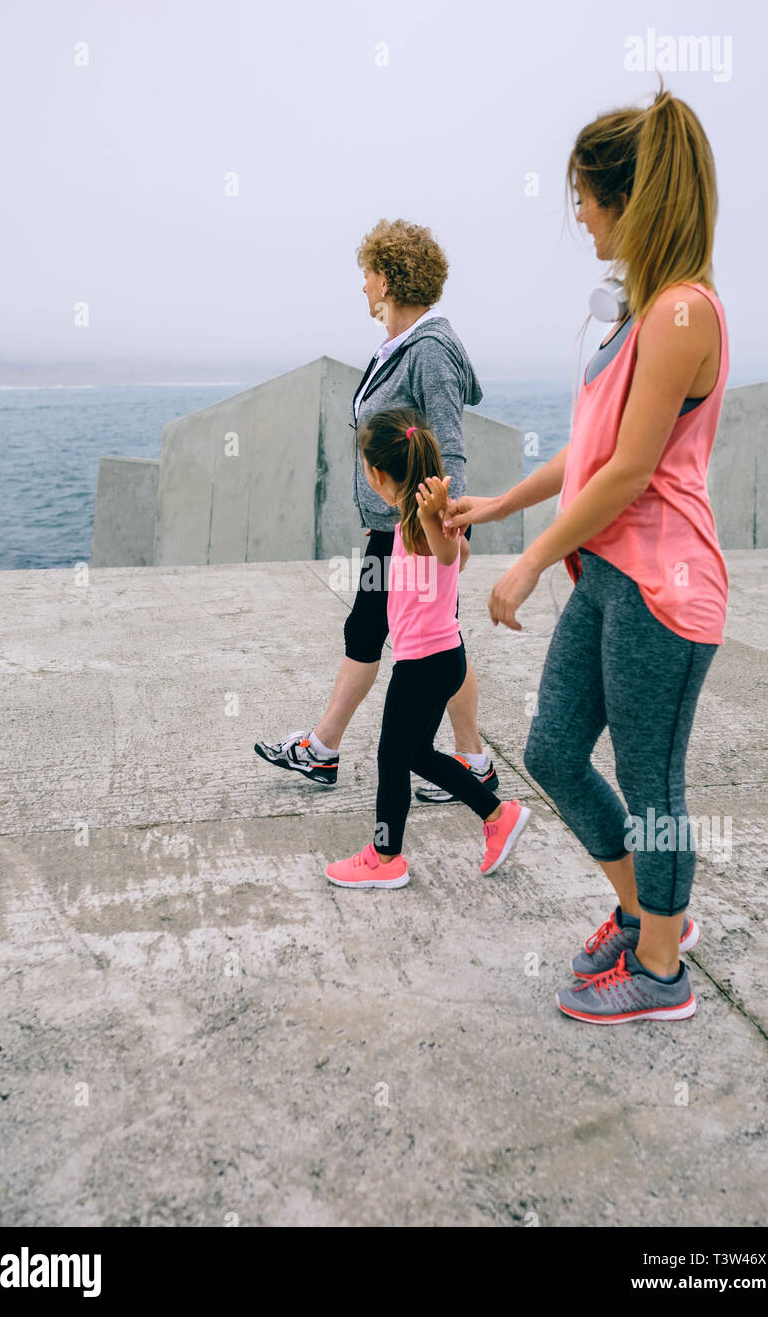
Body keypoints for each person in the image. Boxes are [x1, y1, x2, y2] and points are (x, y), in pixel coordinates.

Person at [447, 86, 728, 1024]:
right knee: (555, 751)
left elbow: (629, 474)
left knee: (652, 781)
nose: (579, 215)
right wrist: (502, 504)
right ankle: (647, 911)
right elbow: (589, 453)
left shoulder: (685, 312)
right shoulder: (640, 311)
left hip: (664, 585)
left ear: (629, 199)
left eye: (584, 197)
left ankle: (661, 972)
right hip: (609, 575)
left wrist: (529, 561)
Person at [255, 218, 498, 801]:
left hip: (414, 531)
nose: (362, 285)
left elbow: (449, 441)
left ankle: (459, 760)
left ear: (387, 278)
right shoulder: (399, 346)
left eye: (367, 274)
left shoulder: (431, 351)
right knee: (385, 632)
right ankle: (334, 748)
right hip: (393, 525)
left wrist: (448, 525)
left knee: (421, 639)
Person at [325, 409, 530, 888]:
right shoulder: (420, 523)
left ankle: (384, 857)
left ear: (377, 475)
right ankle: (497, 815)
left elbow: (442, 554)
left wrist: (431, 522)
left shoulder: (424, 523)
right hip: (443, 659)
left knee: (391, 759)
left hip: (423, 665)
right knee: (414, 754)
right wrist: (430, 525)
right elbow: (454, 559)